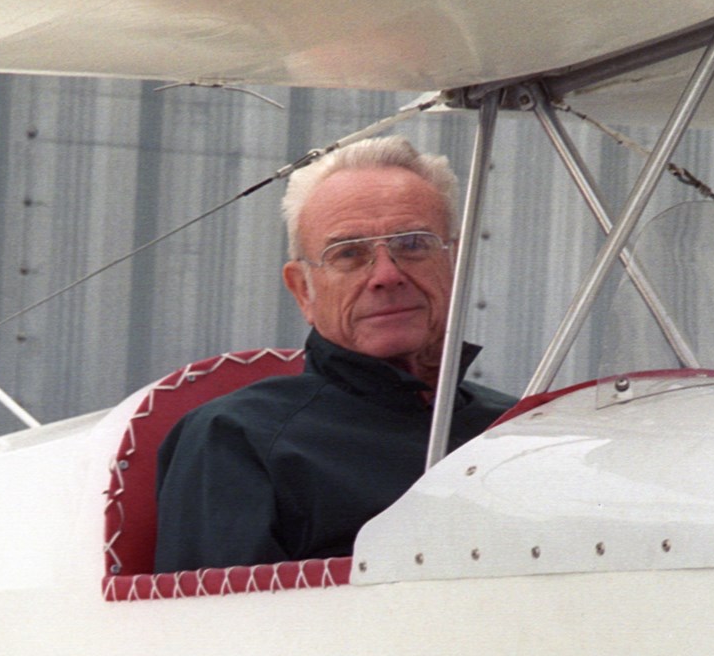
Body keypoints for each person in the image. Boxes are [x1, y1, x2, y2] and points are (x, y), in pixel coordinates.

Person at [153, 136, 515, 572]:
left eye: (413, 245)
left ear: (456, 263)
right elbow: (213, 631)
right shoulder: (236, 439)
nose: (386, 274)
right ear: (303, 289)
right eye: (348, 254)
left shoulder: (518, 431)